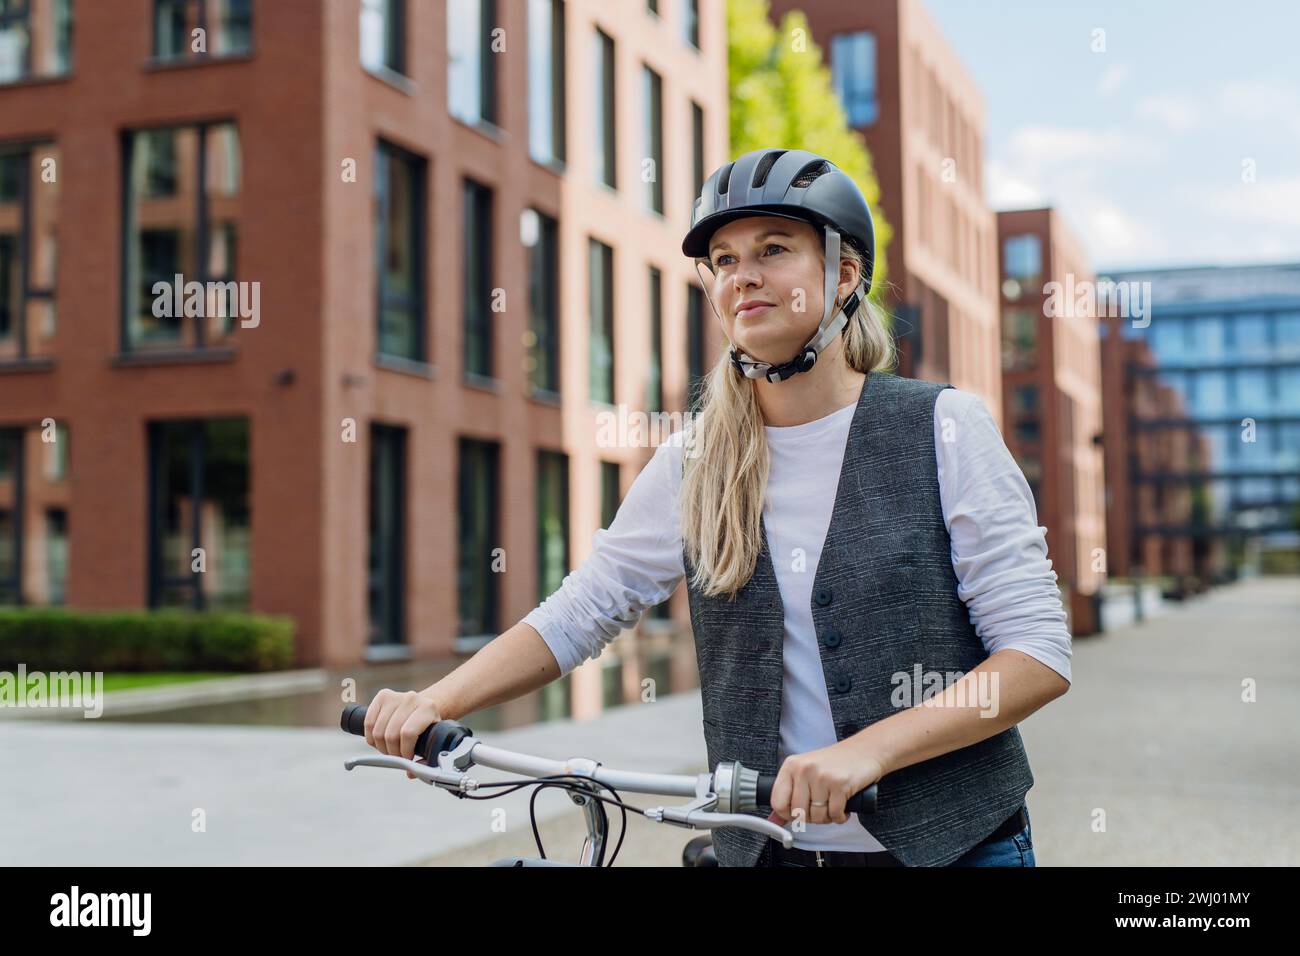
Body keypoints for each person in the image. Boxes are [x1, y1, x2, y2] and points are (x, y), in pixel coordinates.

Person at [361, 147, 1071, 868]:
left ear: (845, 275)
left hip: (957, 848)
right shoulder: (696, 458)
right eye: (725, 261)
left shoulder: (943, 427)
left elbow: (1036, 653)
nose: (744, 277)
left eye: (773, 250)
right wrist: (436, 701)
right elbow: (584, 610)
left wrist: (867, 754)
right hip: (766, 851)